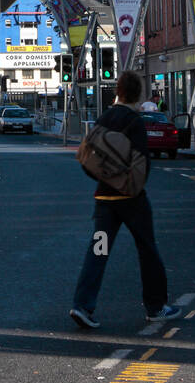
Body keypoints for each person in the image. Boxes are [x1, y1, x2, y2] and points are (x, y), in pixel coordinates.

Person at [70, 69, 180, 329]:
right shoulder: (134, 122)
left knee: (98, 251)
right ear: (138, 94)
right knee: (147, 250)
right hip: (132, 200)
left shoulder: (105, 117)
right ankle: (155, 307)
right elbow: (142, 164)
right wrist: (127, 184)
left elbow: (86, 160)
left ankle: (82, 305)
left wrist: (106, 175)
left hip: (103, 199)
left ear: (117, 91)